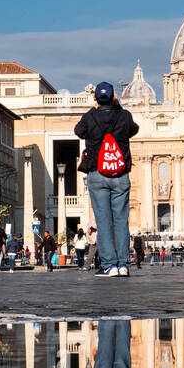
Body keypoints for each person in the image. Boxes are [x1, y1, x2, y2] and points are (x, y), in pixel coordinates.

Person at [75, 81, 139, 277]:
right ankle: (123, 265)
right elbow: (133, 129)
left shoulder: (90, 116)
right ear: (114, 97)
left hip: (97, 174)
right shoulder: (124, 115)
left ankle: (109, 265)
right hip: (120, 174)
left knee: (103, 222)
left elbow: (78, 131)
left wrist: (94, 110)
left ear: (95, 98)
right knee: (121, 221)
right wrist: (117, 107)